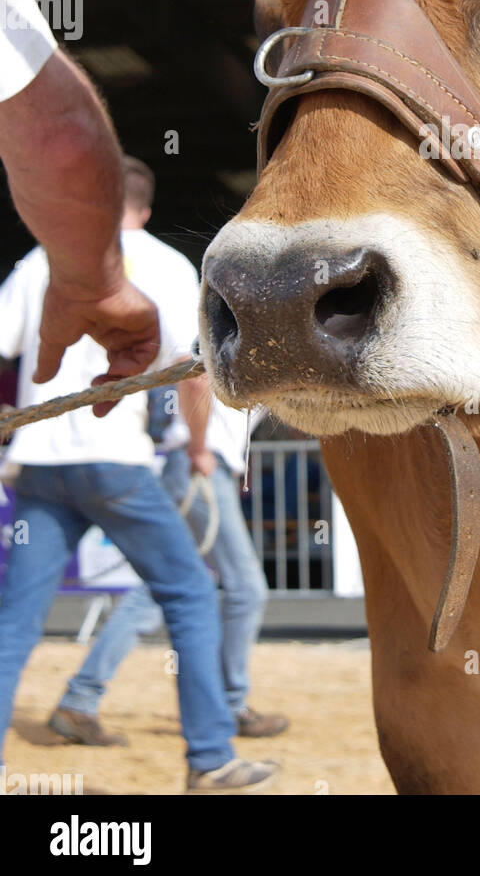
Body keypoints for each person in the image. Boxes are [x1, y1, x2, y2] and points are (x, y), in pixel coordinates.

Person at [0, 152, 281, 793]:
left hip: (40, 465)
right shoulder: (163, 263)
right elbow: (195, 371)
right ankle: (210, 757)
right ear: (146, 207)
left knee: (15, 620)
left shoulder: (40, 259)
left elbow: (3, 343)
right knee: (187, 592)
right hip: (114, 464)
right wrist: (198, 446)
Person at [50, 386, 290, 742]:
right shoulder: (218, 340)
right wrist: (199, 447)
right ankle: (230, 703)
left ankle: (80, 698)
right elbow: (194, 383)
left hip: (195, 465)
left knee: (157, 591)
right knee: (246, 589)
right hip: (201, 465)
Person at [0, 0, 160, 398]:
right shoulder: (173, 267)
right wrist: (94, 285)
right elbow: (60, 141)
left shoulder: (30, 267)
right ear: (146, 210)